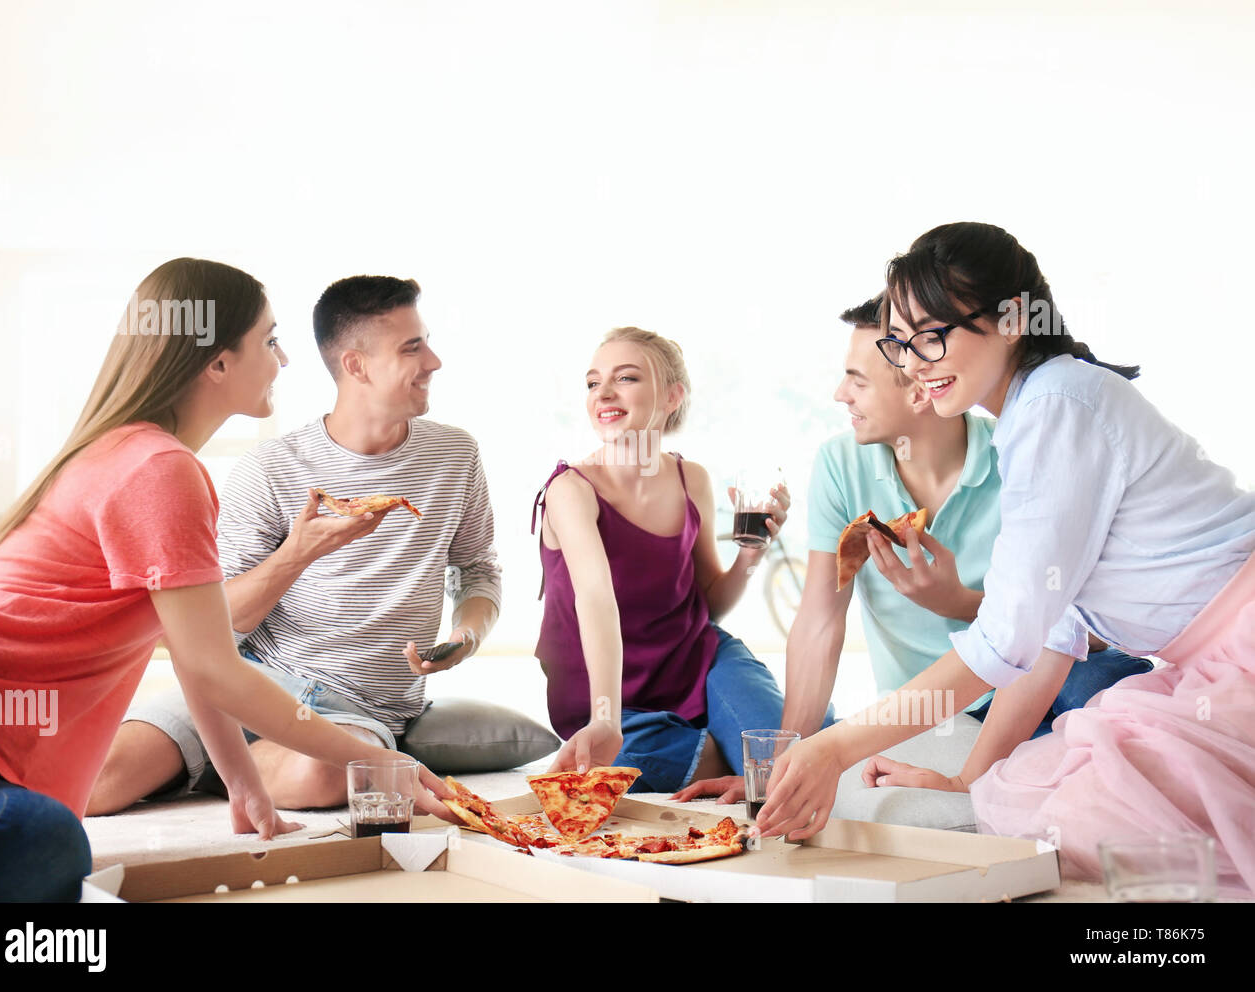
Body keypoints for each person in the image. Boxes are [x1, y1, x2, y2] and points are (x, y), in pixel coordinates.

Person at [756, 223, 1255, 897]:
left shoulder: (1056, 403)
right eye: (900, 345)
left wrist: (836, 746)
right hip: (1213, 663)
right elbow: (1050, 636)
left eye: (933, 336)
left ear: (1013, 319)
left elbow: (1005, 639)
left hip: (1239, 652)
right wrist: (969, 781)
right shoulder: (1034, 413)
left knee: (1114, 813)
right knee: (1025, 793)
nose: (914, 363)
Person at [0, 259, 458, 902]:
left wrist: (244, 781)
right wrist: (383, 760)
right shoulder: (160, 468)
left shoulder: (137, 455)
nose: (284, 360)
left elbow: (200, 655)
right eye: (270, 341)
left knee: (42, 843)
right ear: (219, 363)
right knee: (45, 847)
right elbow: (220, 669)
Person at [675, 294, 1150, 806]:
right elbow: (820, 623)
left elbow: (1083, 631)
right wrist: (783, 764)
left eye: (858, 380)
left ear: (923, 389)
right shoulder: (841, 466)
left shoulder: (1023, 452)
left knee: (1109, 695)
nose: (840, 394)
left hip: (1049, 680)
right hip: (936, 705)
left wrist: (958, 602)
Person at [90, 275, 517, 814]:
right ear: (355, 365)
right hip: (248, 680)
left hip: (361, 703)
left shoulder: (455, 455)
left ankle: (220, 771)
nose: (434, 361)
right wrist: (298, 553)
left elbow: (478, 571)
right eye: (413, 347)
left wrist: (466, 635)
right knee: (99, 781)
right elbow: (215, 623)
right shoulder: (272, 467)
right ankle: (229, 764)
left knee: (319, 776)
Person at [532, 326, 789, 793]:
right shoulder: (571, 490)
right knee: (609, 769)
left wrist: (751, 553)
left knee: (779, 752)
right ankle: (738, 755)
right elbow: (595, 599)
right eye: (593, 383)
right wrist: (605, 720)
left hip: (701, 660)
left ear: (672, 396)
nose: (603, 394)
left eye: (625, 378)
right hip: (608, 697)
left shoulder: (692, 478)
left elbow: (709, 604)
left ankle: (751, 754)